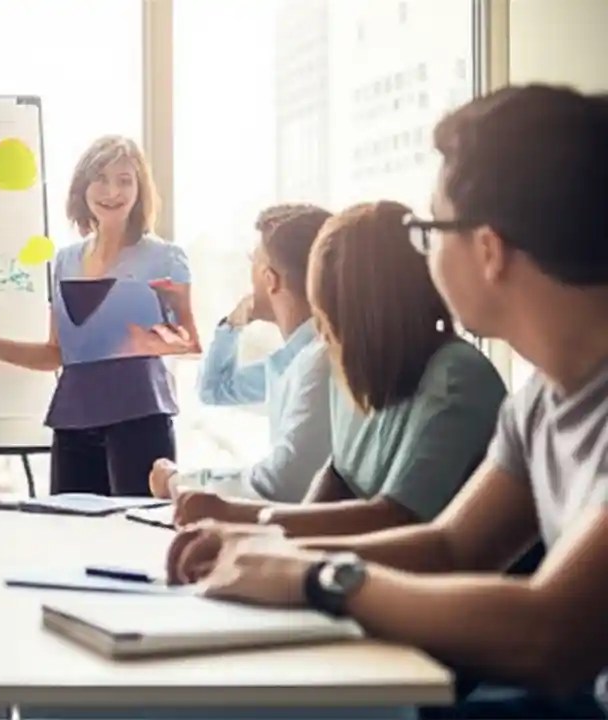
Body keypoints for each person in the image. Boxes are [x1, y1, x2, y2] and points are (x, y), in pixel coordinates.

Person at [164, 85, 608, 719]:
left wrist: (313, 577)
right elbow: (450, 547)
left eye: (431, 230)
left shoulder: (475, 382)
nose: (423, 256)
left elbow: (552, 634)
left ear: (488, 249)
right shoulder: (538, 401)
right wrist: (264, 551)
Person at [163, 200, 506, 538]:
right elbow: (333, 485)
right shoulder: (358, 372)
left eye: (328, 312)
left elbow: (396, 518)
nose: (323, 332)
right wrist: (244, 529)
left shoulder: (456, 379)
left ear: (365, 302)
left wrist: (236, 516)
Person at [0, 135, 201, 496]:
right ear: (83, 188)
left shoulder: (165, 257)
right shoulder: (66, 261)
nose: (112, 191)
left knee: (138, 526)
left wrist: (134, 336)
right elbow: (56, 354)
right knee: (69, 526)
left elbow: (189, 342)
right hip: (74, 423)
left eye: (125, 180)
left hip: (139, 419)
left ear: (140, 189)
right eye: (101, 179)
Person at [150, 204, 333, 503]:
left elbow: (280, 484)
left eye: (253, 261)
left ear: (270, 279)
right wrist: (231, 326)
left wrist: (177, 482)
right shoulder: (291, 361)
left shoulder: (319, 362)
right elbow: (213, 389)